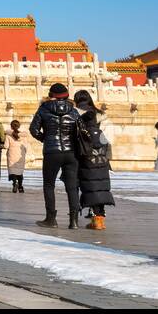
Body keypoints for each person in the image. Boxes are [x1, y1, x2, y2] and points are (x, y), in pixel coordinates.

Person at [29, 83, 81, 229]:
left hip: (52, 152)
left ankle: (51, 219)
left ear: (51, 95)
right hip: (71, 152)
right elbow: (79, 131)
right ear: (66, 95)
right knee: (72, 186)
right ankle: (74, 221)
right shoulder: (74, 111)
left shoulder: (44, 109)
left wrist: (44, 138)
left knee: (49, 185)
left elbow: (33, 129)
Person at [74, 91, 115, 231]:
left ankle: (94, 219)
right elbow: (108, 137)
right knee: (101, 185)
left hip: (85, 153)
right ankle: (100, 219)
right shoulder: (99, 113)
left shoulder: (75, 113)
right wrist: (107, 157)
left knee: (89, 186)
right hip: (101, 155)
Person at [5, 119, 28, 193]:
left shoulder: (8, 136)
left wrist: (1, 145)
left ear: (11, 127)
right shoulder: (23, 136)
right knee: (20, 172)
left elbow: (6, 146)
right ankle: (20, 187)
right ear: (19, 126)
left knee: (13, 171)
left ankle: (15, 183)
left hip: (11, 155)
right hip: (20, 156)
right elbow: (25, 146)